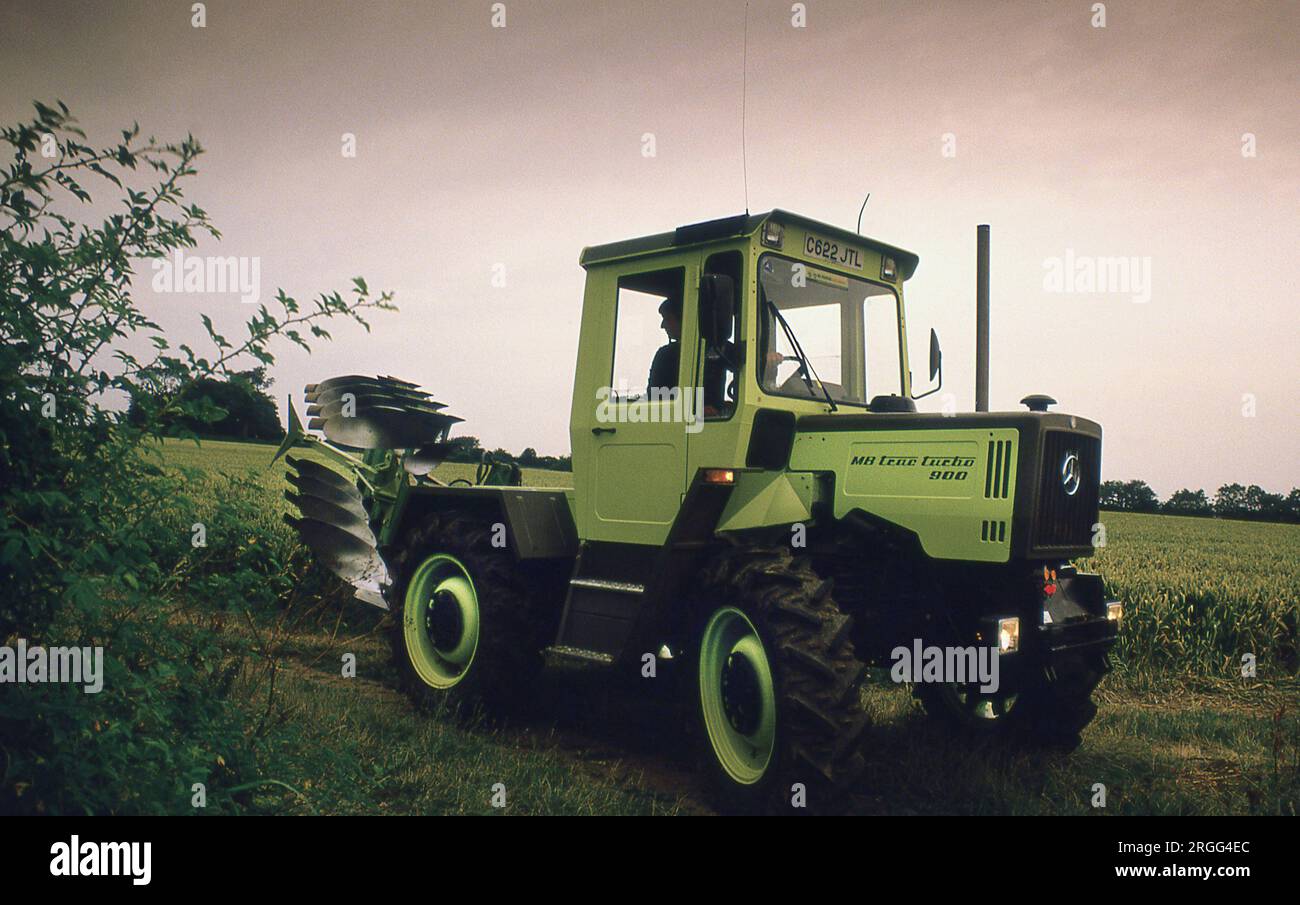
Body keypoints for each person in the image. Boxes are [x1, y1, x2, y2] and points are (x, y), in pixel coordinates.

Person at [647, 293, 681, 398]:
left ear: (682, 318)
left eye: (667, 318)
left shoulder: (666, 355)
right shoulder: (666, 355)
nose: (662, 325)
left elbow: (654, 396)